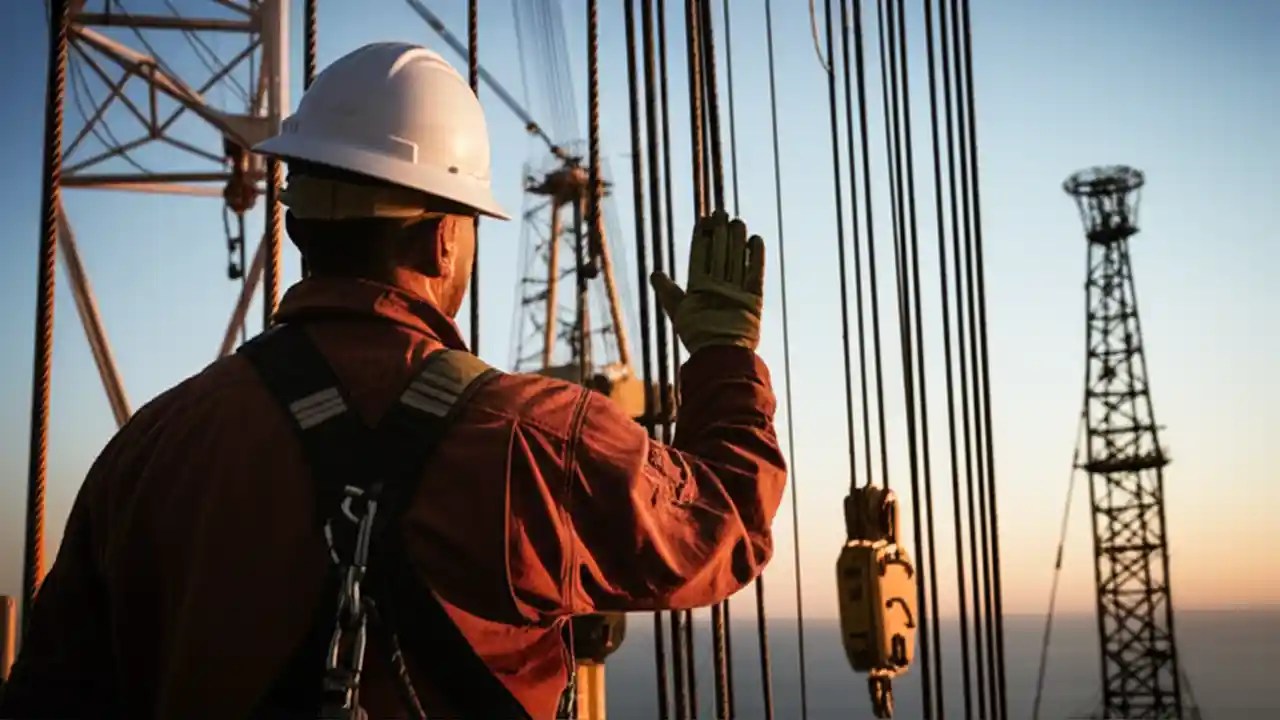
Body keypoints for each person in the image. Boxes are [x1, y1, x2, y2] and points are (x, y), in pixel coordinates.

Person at [0, 42, 785, 720]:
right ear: (447, 240)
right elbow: (723, 523)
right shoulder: (535, 439)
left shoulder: (151, 449)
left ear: (298, 226)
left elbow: (53, 693)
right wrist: (722, 355)